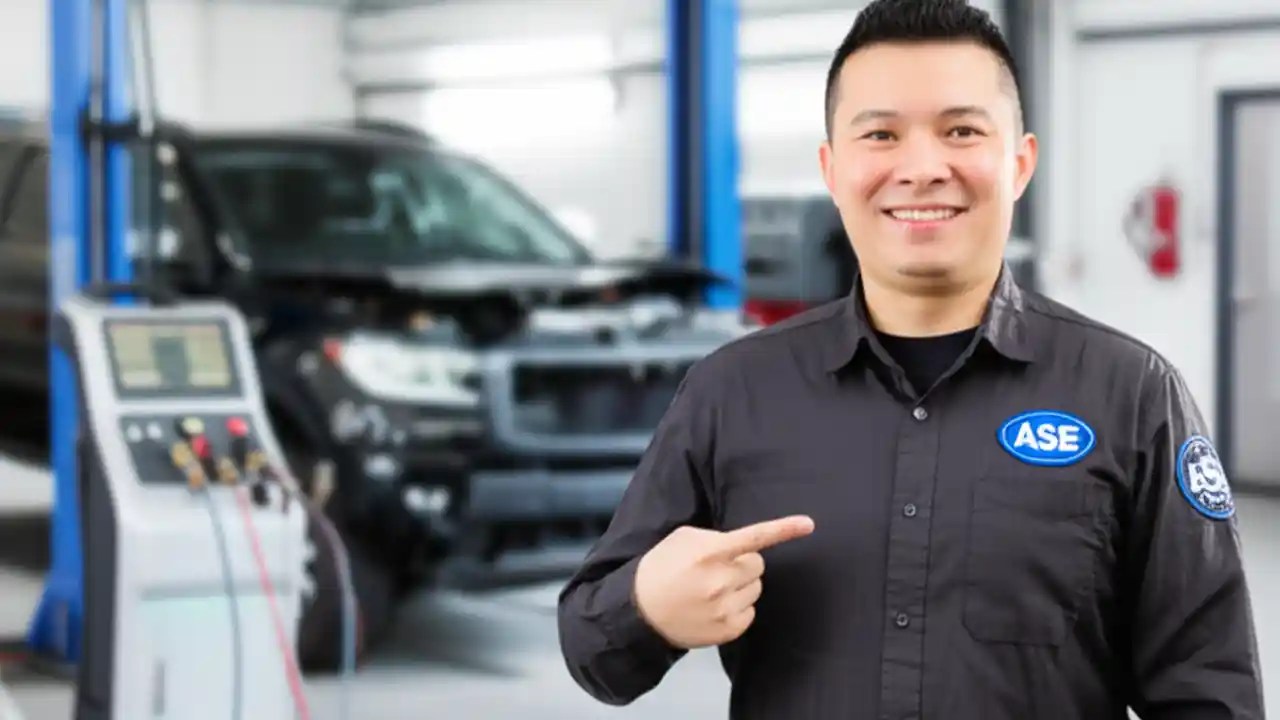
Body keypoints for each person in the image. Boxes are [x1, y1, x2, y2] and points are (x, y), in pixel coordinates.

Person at [556, 0, 1266, 717]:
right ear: (832, 169)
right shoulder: (731, 392)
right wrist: (645, 604)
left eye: (961, 130)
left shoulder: (1130, 395)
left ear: (1019, 163)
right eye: (881, 134)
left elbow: (1209, 693)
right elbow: (594, 654)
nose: (922, 168)